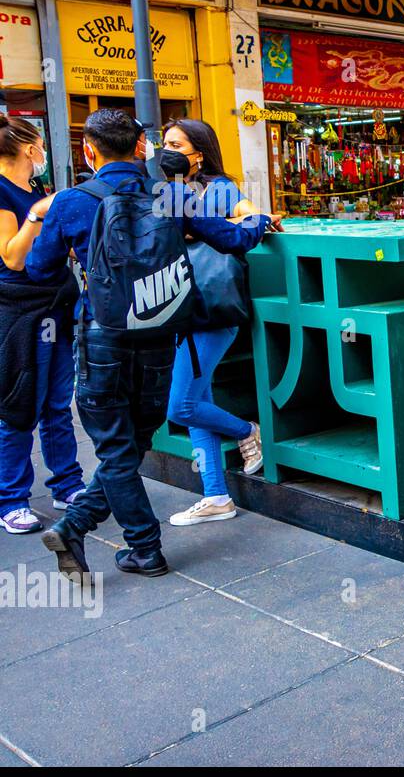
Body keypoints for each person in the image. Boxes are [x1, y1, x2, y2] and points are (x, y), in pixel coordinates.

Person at [11, 109, 272, 582]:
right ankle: (89, 531)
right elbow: (235, 239)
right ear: (140, 150)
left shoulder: (70, 202)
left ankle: (137, 546)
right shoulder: (170, 195)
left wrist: (42, 218)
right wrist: (261, 221)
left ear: (89, 152)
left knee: (115, 447)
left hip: (101, 341)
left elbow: (39, 271)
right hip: (160, 339)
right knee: (133, 442)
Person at [158, 119, 266, 528]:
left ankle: (247, 431)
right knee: (196, 402)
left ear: (198, 153)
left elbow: (249, 214)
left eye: (175, 143)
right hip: (182, 309)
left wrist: (208, 229)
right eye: (163, 142)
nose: (164, 149)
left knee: (182, 405)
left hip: (210, 309)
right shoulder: (169, 191)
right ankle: (216, 495)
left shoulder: (216, 187)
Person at [0, 114, 83, 534]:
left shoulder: (32, 187)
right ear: (30, 150)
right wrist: (36, 214)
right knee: (19, 405)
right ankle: (10, 499)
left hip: (54, 306)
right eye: (41, 145)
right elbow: (12, 257)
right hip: (19, 313)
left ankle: (67, 484)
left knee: (56, 403)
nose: (44, 153)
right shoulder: (4, 192)